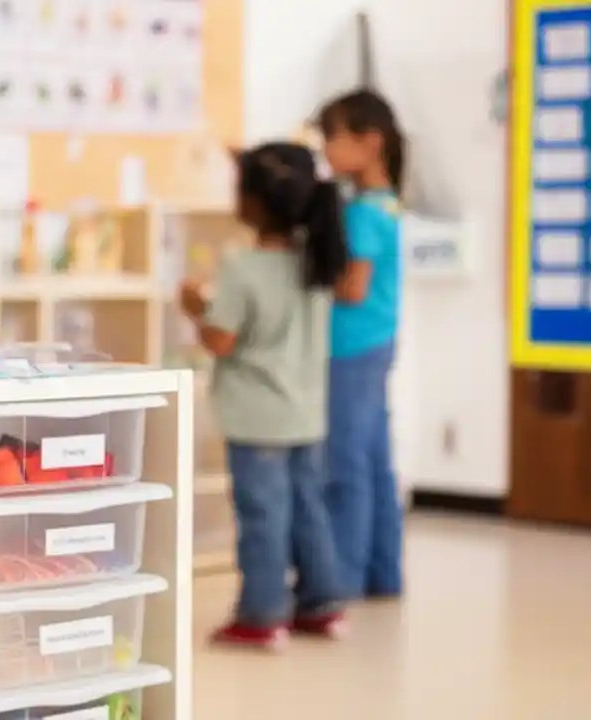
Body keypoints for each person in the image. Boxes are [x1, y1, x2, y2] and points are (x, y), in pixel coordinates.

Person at [180, 143, 349, 649]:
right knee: (307, 509)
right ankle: (321, 604)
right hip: (304, 412)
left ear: (254, 202)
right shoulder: (317, 262)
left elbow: (221, 339)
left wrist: (194, 307)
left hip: (257, 419)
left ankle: (261, 613)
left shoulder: (242, 267)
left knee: (262, 516)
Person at [317, 89, 406, 599]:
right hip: (378, 341)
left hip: (350, 348)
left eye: (334, 137)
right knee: (373, 461)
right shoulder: (386, 202)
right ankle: (382, 573)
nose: (327, 149)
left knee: (345, 465)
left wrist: (310, 280)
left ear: (370, 142)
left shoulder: (362, 214)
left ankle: (343, 579)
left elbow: (353, 288)